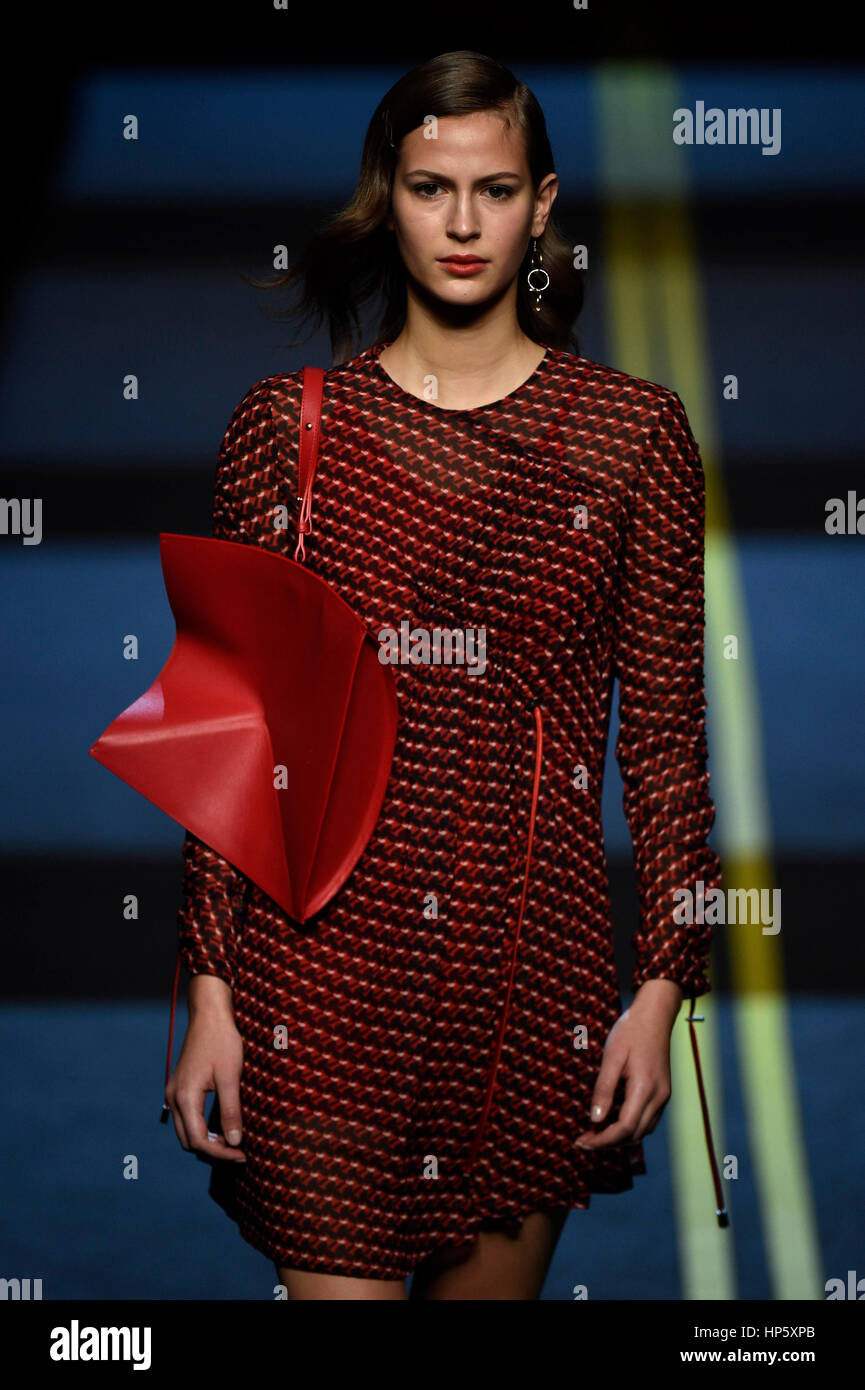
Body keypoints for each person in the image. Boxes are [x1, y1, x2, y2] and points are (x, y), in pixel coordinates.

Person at [164, 49, 722, 1301]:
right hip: (321, 973)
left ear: (542, 203)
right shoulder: (287, 429)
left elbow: (669, 739)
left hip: (533, 976)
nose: (463, 223)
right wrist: (208, 982)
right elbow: (235, 733)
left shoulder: (633, 438)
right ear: (387, 197)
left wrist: (661, 988)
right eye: (429, 187)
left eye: (494, 188)